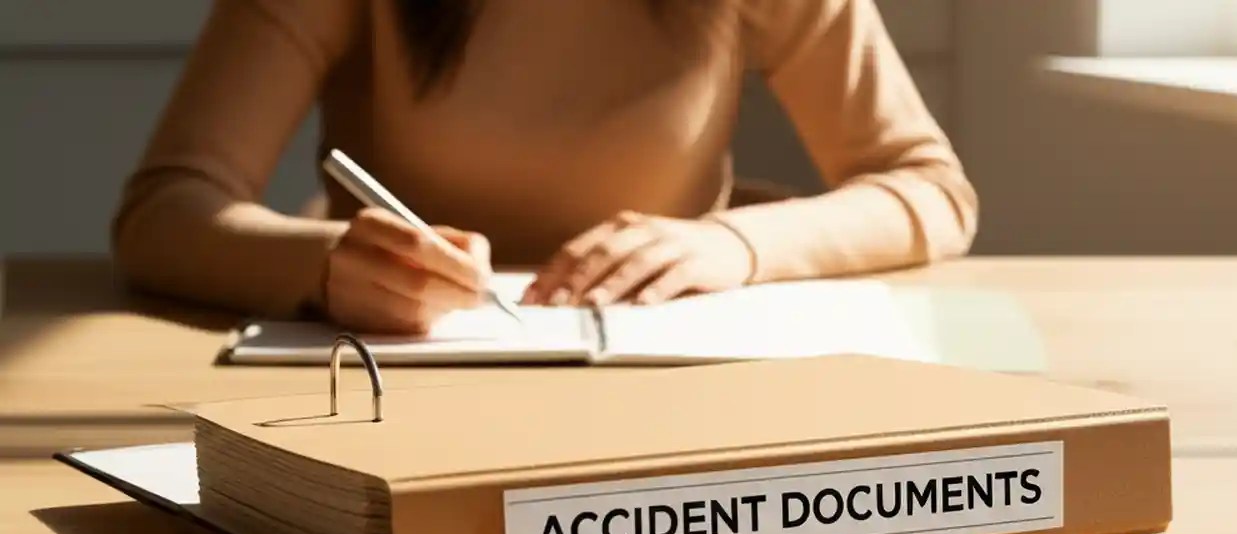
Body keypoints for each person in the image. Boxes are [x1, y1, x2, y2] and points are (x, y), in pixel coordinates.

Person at [111, 0, 978, 334]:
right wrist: (326, 266)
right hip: (400, 389)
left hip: (669, 398)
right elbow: (165, 210)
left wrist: (735, 244)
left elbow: (931, 189)